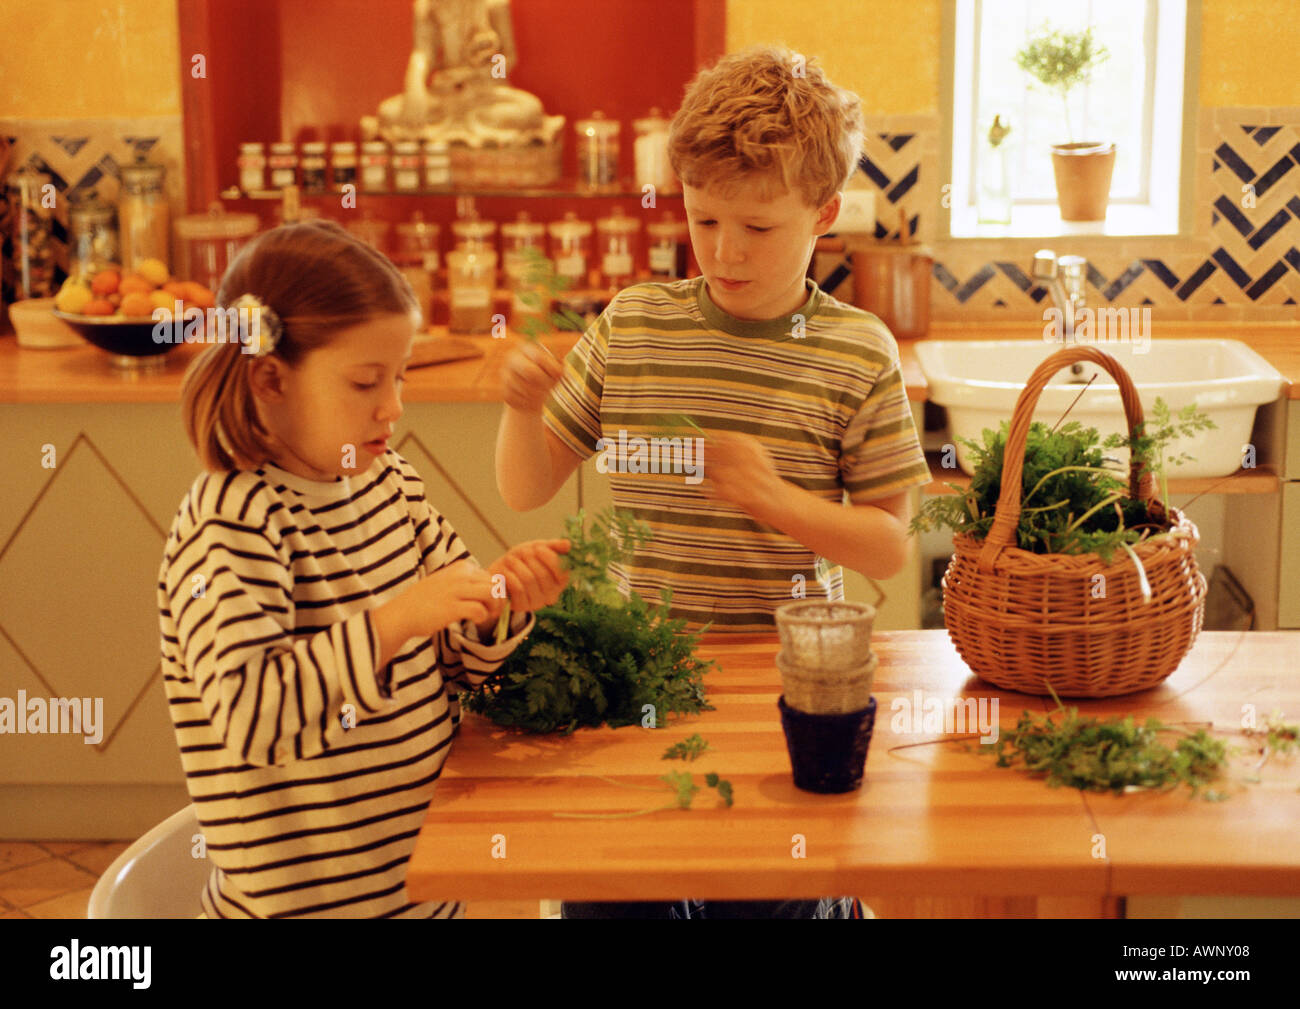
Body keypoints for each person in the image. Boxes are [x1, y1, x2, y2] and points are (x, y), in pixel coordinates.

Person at [495, 45, 932, 918]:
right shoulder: (635, 323)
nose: (724, 253)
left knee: (771, 898)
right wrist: (522, 408)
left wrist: (775, 498)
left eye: (758, 228)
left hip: (785, 692)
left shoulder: (856, 351)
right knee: (619, 893)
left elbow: (888, 542)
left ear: (823, 213)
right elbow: (528, 487)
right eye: (703, 222)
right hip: (638, 680)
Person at [158, 219, 569, 918]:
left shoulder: (390, 484)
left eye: (400, 375)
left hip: (420, 898)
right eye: (364, 381)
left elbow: (462, 659)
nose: (394, 405)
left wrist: (500, 600)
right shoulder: (233, 523)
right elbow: (257, 719)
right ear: (269, 377)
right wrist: (397, 619)